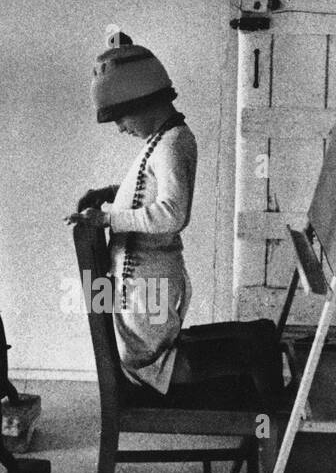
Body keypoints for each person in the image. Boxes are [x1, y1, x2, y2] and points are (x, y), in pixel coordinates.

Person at [69, 32, 282, 398]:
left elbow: (172, 213)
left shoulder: (172, 143)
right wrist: (110, 195)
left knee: (155, 361)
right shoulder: (163, 140)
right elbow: (146, 189)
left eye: (120, 117)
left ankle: (259, 396)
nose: (120, 128)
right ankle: (263, 387)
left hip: (146, 284)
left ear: (143, 101)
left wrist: (107, 220)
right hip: (140, 285)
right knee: (154, 356)